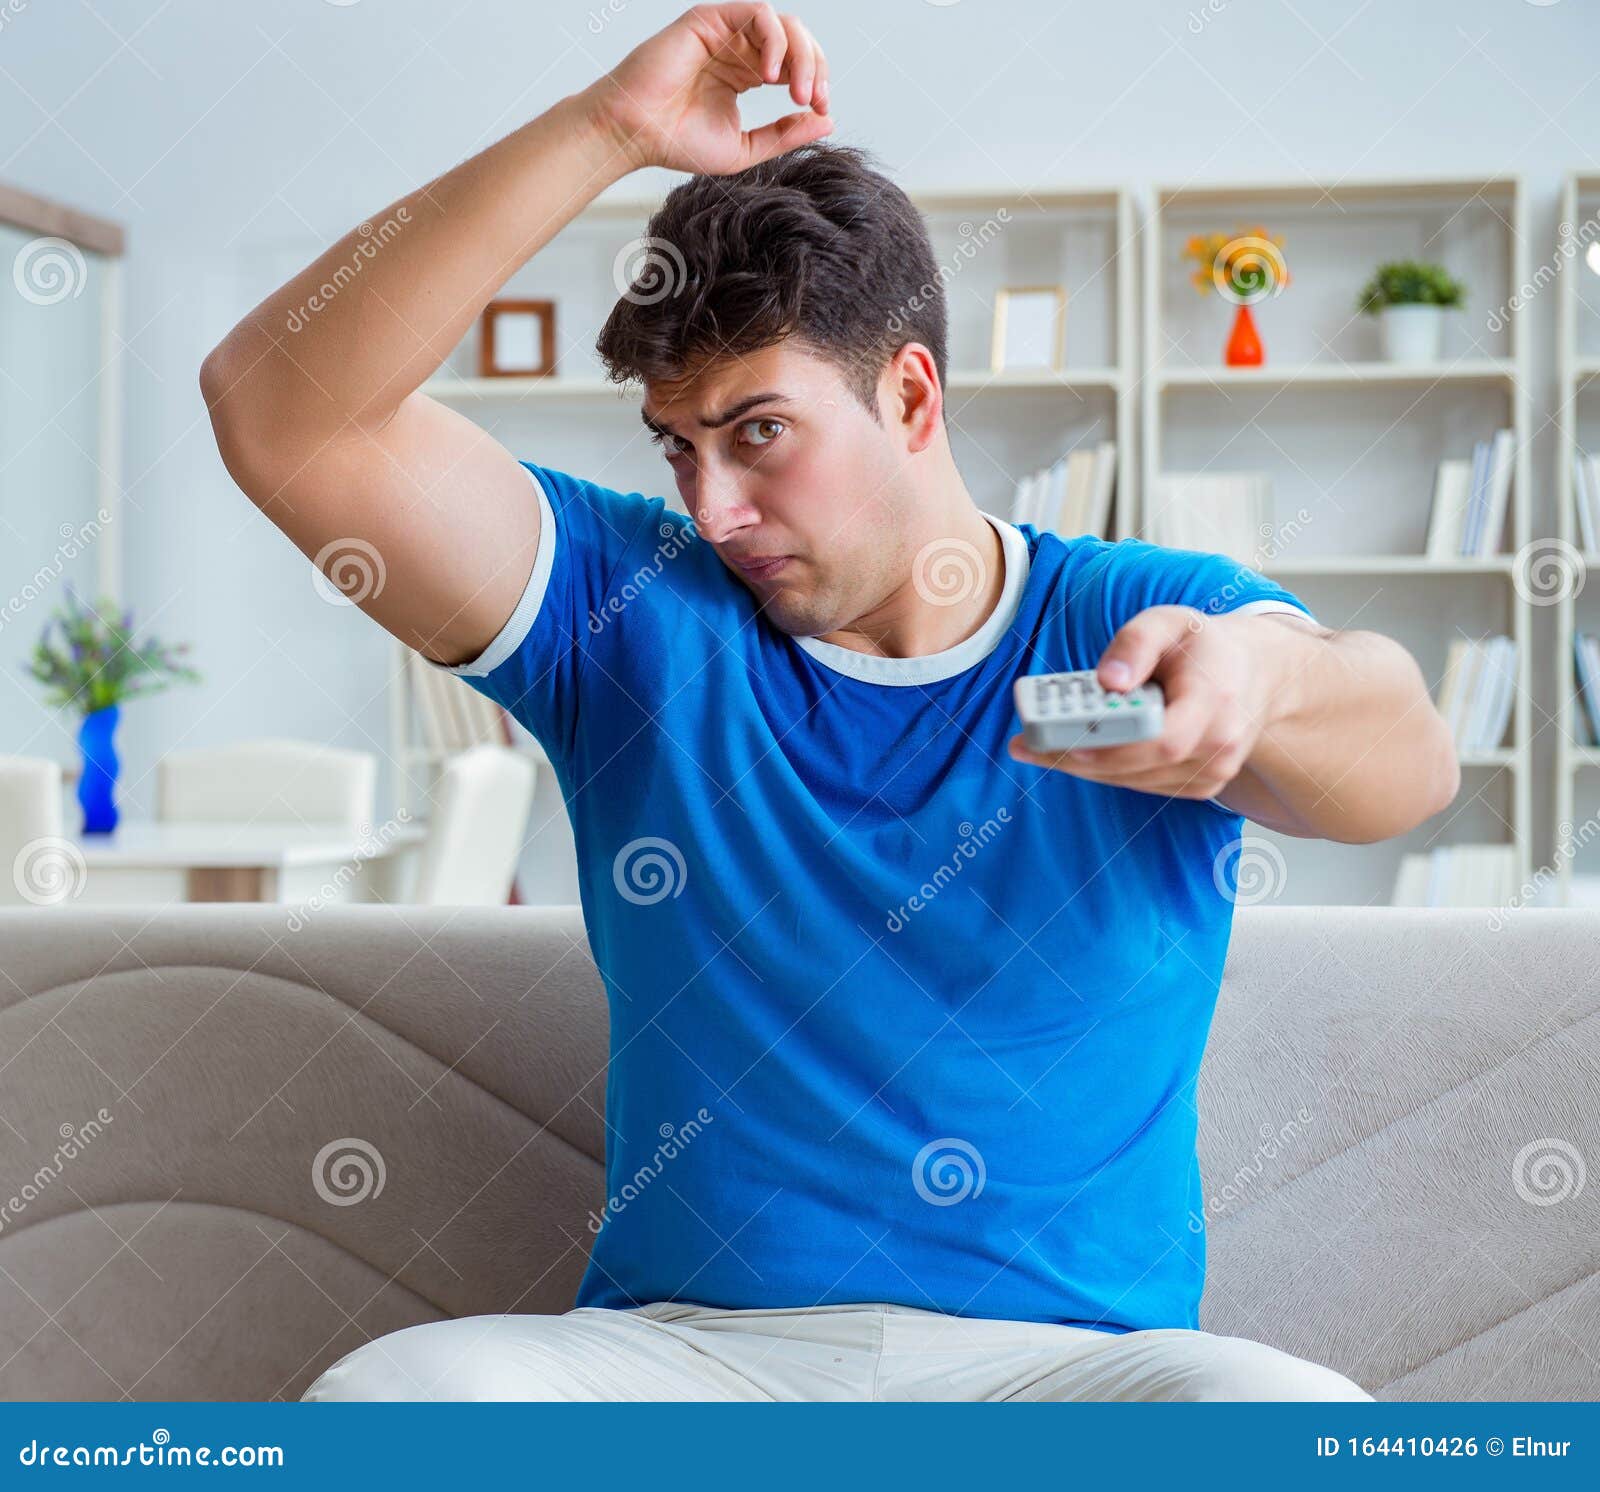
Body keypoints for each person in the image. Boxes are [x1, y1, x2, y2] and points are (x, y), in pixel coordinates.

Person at [200, 3, 1457, 1402]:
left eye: (760, 434)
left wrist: (1263, 686)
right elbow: (276, 409)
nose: (715, 505)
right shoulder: (629, 612)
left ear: (911, 397)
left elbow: (1407, 760)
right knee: (400, 1400)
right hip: (684, 1357)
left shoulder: (1133, 616)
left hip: (1070, 1375)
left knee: (1290, 1420)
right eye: (679, 448)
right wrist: (606, 128)